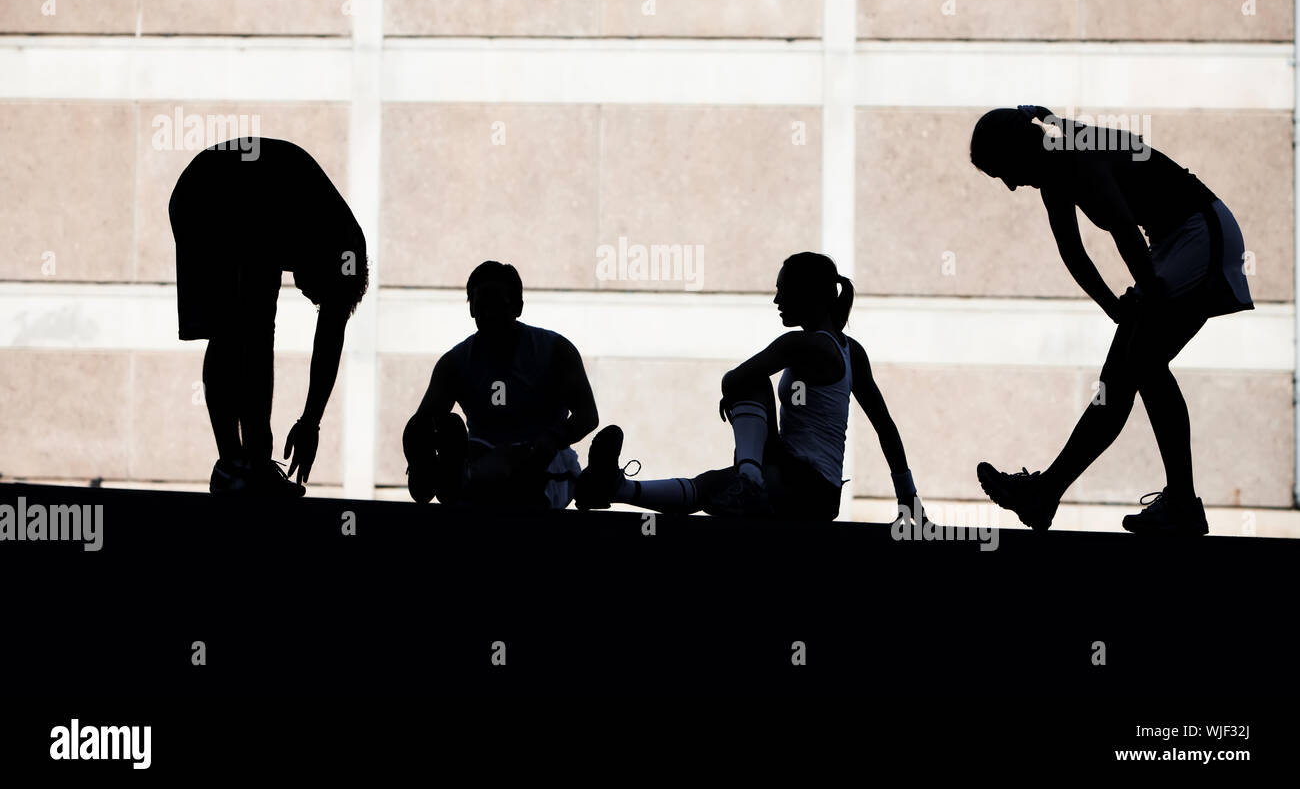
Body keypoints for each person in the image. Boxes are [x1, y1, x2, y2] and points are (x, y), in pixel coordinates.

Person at [969, 106, 1254, 535]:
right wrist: (1113, 306)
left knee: (1140, 363)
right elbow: (1073, 253)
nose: (1010, 185)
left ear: (1017, 149)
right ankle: (1050, 494)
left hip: (1200, 233)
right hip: (1174, 243)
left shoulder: (1074, 154)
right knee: (1122, 375)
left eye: (1003, 171)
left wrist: (1148, 292)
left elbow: (1123, 227)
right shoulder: (1054, 169)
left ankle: (1170, 501)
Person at [576, 252, 925, 523]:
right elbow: (885, 427)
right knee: (709, 483)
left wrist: (734, 396)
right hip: (813, 483)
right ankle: (616, 489)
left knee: (745, 396)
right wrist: (907, 496)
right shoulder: (851, 350)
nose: (776, 301)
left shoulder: (799, 345)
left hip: (806, 486)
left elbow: (733, 379)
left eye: (782, 290)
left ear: (806, 294)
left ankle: (749, 480)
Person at [169, 137, 369, 496]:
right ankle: (239, 465)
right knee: (237, 329)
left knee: (237, 329)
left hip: (220, 192)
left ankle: (241, 466)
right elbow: (258, 341)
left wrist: (311, 422)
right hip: (208, 195)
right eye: (314, 296)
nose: (308, 297)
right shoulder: (294, 222)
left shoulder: (335, 250)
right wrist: (262, 453)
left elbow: (329, 336)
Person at [403, 261, 599, 509]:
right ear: (471, 309)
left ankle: (460, 480)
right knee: (461, 445)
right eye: (481, 306)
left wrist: (549, 441)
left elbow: (588, 416)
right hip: (479, 455)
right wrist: (427, 456)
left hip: (543, 461)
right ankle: (451, 475)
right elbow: (424, 425)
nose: (488, 314)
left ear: (518, 307)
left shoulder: (556, 351)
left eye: (497, 305)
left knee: (514, 474)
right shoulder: (453, 364)